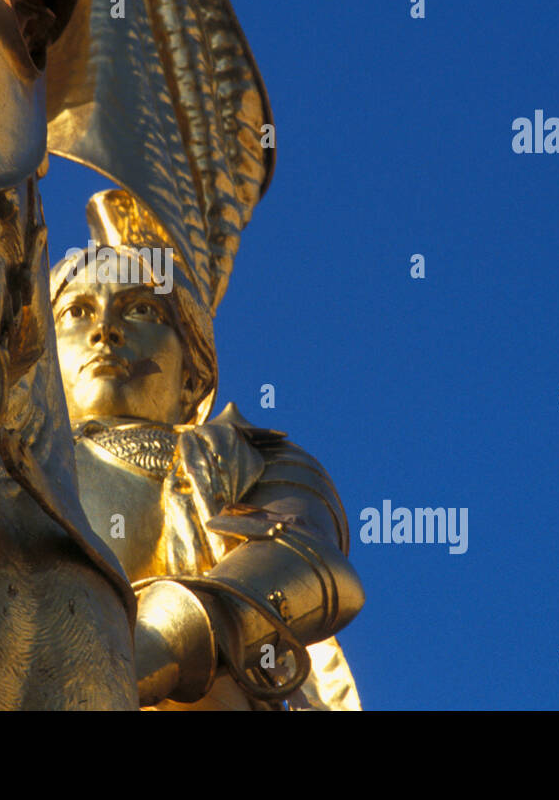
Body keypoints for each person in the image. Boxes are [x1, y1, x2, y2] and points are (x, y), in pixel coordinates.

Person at [51, 190, 365, 710]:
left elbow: (313, 565)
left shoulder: (245, 458)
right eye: (77, 311)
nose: (105, 330)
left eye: (143, 310)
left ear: (194, 374)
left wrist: (146, 650)